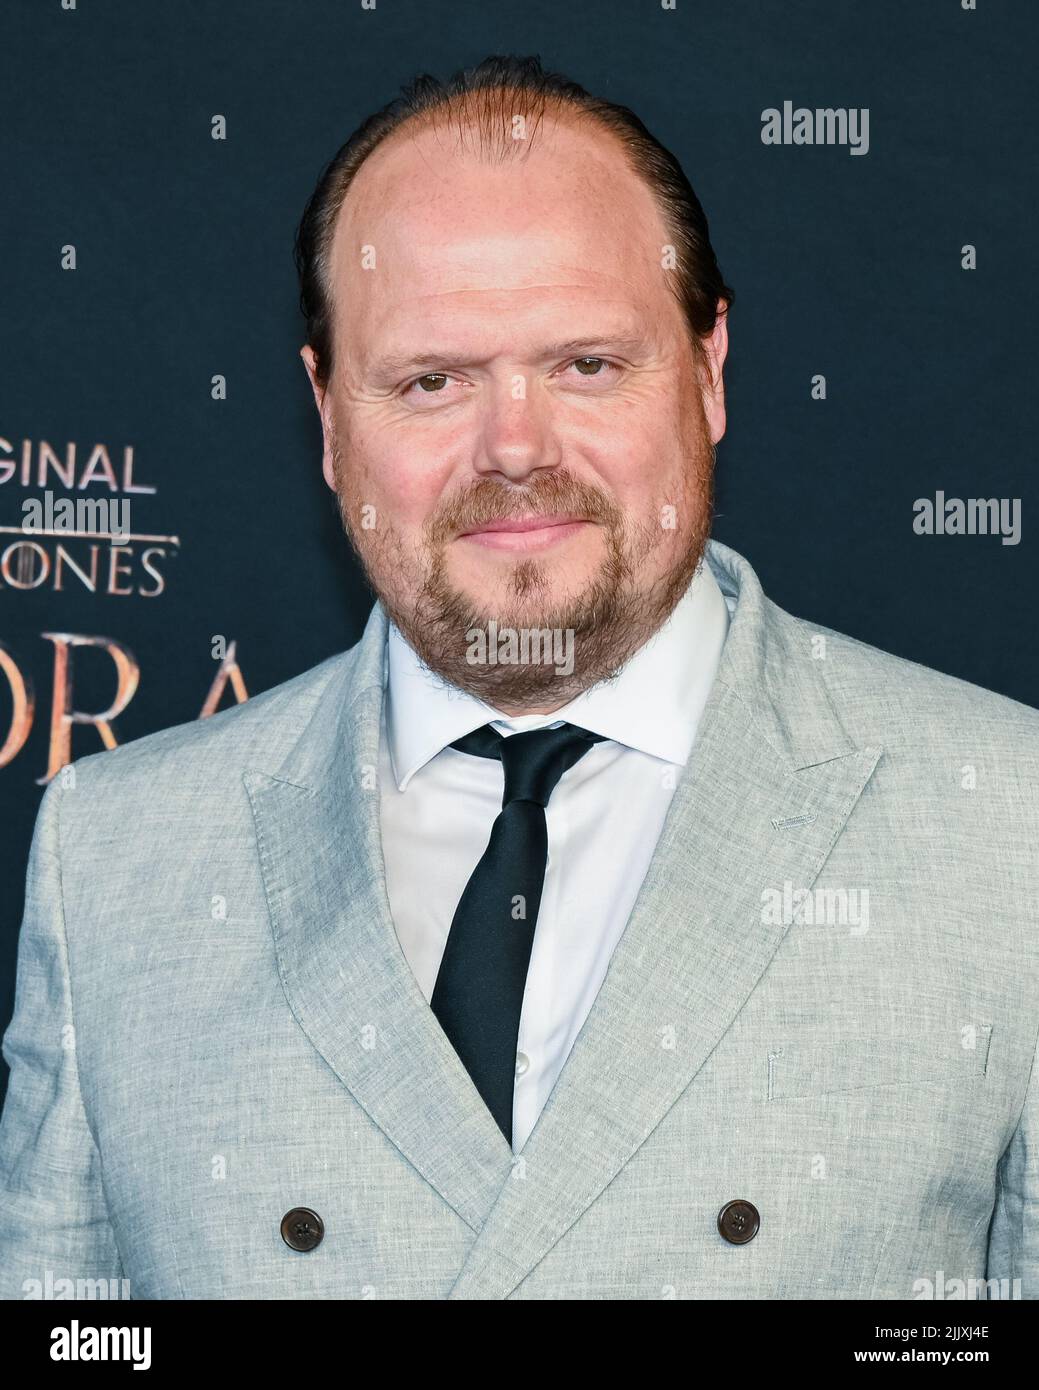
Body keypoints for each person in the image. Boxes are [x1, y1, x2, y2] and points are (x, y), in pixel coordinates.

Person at [1, 55, 1036, 1301]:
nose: (516, 448)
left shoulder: (1005, 830)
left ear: (708, 372)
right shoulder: (115, 861)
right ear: (328, 418)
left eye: (588, 365)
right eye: (431, 381)